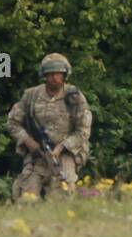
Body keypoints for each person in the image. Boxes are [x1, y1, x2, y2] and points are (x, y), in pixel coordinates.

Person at [7, 53, 93, 200]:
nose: (54, 77)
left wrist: (61, 147)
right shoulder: (31, 96)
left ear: (65, 75)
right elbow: (12, 122)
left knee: (63, 197)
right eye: (50, 73)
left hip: (64, 156)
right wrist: (28, 141)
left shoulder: (74, 96)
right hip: (37, 156)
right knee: (26, 197)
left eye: (58, 73)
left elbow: (83, 130)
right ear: (43, 75)